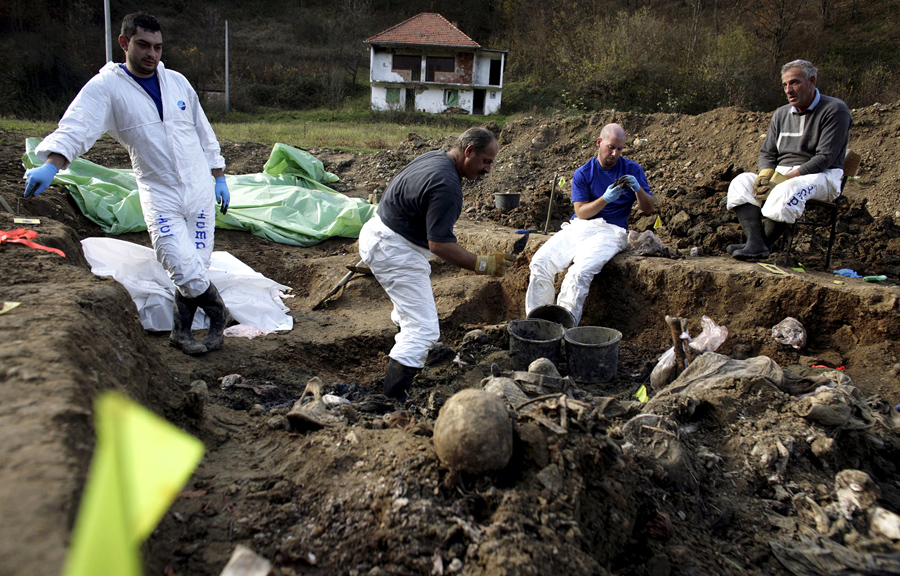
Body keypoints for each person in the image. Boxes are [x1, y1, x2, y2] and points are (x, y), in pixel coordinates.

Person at [23, 11, 231, 356]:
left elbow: (202, 131)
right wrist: (52, 163)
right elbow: (79, 126)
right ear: (124, 43)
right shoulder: (107, 88)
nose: (152, 54)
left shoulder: (178, 83)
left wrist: (219, 176)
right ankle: (217, 314)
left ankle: (180, 332)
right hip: (160, 192)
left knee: (196, 265)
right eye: (144, 45)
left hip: (198, 191)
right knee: (179, 261)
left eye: (158, 47)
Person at [359, 127, 512, 399]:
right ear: (468, 152)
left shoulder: (436, 158)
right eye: (486, 161)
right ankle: (389, 400)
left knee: (411, 309)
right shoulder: (448, 186)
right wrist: (484, 264)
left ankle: (415, 352)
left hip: (380, 231)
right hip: (394, 248)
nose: (488, 169)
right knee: (424, 329)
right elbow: (439, 244)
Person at [525, 123, 655, 326]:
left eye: (620, 149)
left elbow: (649, 209)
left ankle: (564, 328)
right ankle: (536, 325)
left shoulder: (632, 169)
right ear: (599, 142)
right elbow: (581, 213)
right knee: (540, 263)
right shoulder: (584, 172)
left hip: (612, 231)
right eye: (611, 147)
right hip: (581, 226)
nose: (615, 153)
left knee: (578, 274)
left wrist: (638, 189)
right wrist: (606, 198)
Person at [726, 59, 852, 260]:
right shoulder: (781, 114)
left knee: (787, 189)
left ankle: (759, 245)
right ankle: (755, 244)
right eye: (785, 85)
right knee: (740, 183)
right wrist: (766, 175)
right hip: (782, 173)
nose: (788, 90)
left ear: (812, 81)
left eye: (795, 83)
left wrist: (786, 178)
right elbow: (768, 152)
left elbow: (825, 157)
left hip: (822, 176)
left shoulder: (835, 110)